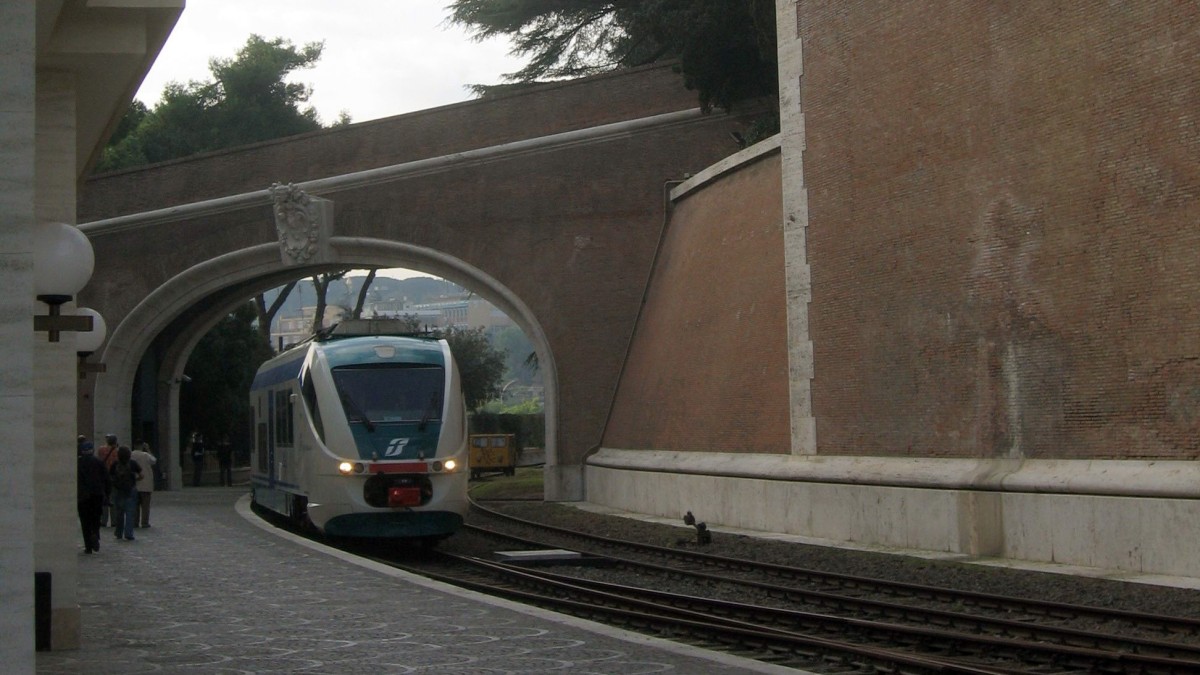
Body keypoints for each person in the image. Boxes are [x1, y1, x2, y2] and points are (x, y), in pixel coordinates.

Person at [76, 441, 109, 553]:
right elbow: (107, 479)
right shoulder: (99, 462)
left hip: (82, 496)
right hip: (97, 494)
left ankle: (88, 546)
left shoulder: (78, 463)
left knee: (85, 521)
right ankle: (95, 533)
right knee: (95, 518)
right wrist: (106, 494)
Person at [109, 446, 143, 541]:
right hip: (130, 489)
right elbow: (141, 475)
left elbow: (110, 476)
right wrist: (135, 479)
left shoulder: (115, 464)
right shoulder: (133, 463)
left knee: (119, 512)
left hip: (118, 490)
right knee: (130, 512)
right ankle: (128, 533)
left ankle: (119, 532)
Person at [131, 440, 157, 527]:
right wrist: (148, 449)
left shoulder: (131, 455)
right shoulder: (146, 455)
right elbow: (154, 460)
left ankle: (135, 522)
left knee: (135, 505)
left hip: (134, 483)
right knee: (145, 506)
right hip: (146, 484)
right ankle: (144, 522)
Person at [95, 433, 119, 526]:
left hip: (103, 477)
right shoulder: (117, 451)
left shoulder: (101, 449)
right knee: (113, 498)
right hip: (113, 477)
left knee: (103, 499)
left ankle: (103, 520)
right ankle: (114, 521)